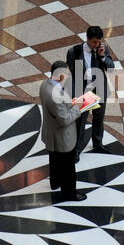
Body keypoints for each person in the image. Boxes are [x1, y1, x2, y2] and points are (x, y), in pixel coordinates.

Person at [66, 26, 116, 160]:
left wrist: (102, 57)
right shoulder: (74, 52)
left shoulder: (102, 49)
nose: (96, 45)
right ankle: (76, 149)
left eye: (99, 42)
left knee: (99, 118)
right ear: (87, 39)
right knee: (80, 121)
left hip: (99, 88)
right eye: (94, 42)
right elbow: (74, 75)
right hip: (84, 91)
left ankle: (97, 143)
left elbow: (111, 69)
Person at [41, 61, 87, 203]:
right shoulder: (55, 96)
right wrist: (78, 107)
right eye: (66, 73)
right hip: (63, 138)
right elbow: (65, 119)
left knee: (54, 160)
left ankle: (55, 183)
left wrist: (70, 103)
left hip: (51, 134)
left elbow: (58, 108)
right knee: (68, 168)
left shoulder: (45, 84)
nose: (68, 75)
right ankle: (69, 194)